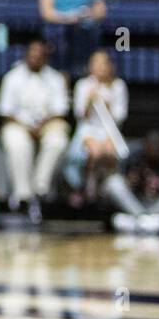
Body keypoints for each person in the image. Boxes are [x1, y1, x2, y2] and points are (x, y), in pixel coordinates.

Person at [0, 37, 69, 223]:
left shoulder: (55, 78)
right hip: (19, 124)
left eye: (40, 55)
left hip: (48, 124)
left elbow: (60, 110)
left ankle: (40, 189)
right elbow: (5, 111)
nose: (35, 58)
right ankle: (23, 196)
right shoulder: (12, 77)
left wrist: (41, 126)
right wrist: (27, 126)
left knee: (58, 141)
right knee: (16, 142)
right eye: (32, 54)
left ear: (45, 57)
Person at [62, 49, 126, 207]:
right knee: (95, 152)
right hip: (87, 129)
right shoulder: (83, 85)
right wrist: (90, 100)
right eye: (95, 63)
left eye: (103, 63)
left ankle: (107, 192)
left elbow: (119, 116)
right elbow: (80, 115)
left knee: (110, 152)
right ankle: (89, 190)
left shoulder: (118, 86)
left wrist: (106, 102)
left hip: (110, 130)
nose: (99, 67)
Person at [108, 131, 159, 235]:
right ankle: (141, 219)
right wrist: (129, 181)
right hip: (136, 205)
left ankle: (145, 221)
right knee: (113, 182)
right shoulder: (134, 157)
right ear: (145, 145)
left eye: (157, 145)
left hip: (157, 208)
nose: (154, 148)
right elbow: (120, 180)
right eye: (152, 145)